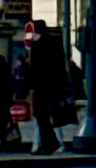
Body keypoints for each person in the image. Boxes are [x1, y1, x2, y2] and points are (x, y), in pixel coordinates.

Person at [27, 19, 68, 156]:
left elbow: (34, 69)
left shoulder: (37, 46)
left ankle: (50, 143)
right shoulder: (56, 43)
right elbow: (61, 65)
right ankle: (47, 143)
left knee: (41, 116)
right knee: (53, 115)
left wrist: (31, 86)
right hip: (55, 86)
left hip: (41, 87)